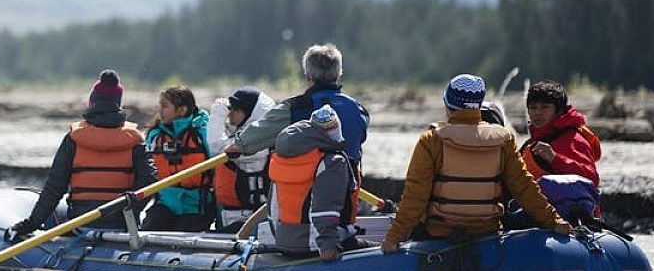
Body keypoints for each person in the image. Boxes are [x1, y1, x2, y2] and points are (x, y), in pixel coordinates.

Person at [380, 74, 572, 254]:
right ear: (478, 106)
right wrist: (554, 221)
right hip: (487, 234)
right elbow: (524, 187)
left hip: (439, 234)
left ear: (448, 104)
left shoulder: (431, 140)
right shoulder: (503, 140)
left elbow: (416, 196)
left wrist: (394, 237)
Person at [4, 69, 157, 242]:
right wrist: (132, 210)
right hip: (121, 225)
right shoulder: (135, 140)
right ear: (118, 104)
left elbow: (54, 187)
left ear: (92, 103)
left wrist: (30, 224)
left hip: (81, 224)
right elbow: (150, 180)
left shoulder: (74, 139)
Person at [225, 44, 369, 176]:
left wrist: (237, 146)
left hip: (306, 194)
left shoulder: (293, 108)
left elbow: (257, 133)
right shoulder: (359, 111)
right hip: (345, 194)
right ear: (338, 74)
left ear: (308, 76)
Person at [257, 105, 366, 261]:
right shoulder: (332, 162)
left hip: (283, 243)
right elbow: (325, 208)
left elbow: (272, 207)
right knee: (373, 248)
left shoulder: (282, 157)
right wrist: (328, 245)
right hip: (315, 246)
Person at [141, 85, 213, 231]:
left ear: (182, 110)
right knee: (149, 229)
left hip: (196, 206)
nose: (159, 111)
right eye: (159, 106)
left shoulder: (202, 133)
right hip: (165, 203)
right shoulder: (155, 135)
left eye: (164, 107)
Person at [206, 86, 276, 232]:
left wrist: (218, 112)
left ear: (252, 116)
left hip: (255, 221)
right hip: (231, 216)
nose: (230, 114)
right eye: (230, 109)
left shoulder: (259, 143)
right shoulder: (238, 136)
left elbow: (216, 147)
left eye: (236, 110)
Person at [520, 79, 602, 188]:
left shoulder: (573, 139)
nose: (537, 113)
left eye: (545, 107)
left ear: (559, 111)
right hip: (540, 203)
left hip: (569, 205)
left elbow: (592, 179)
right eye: (533, 107)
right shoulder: (531, 143)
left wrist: (554, 158)